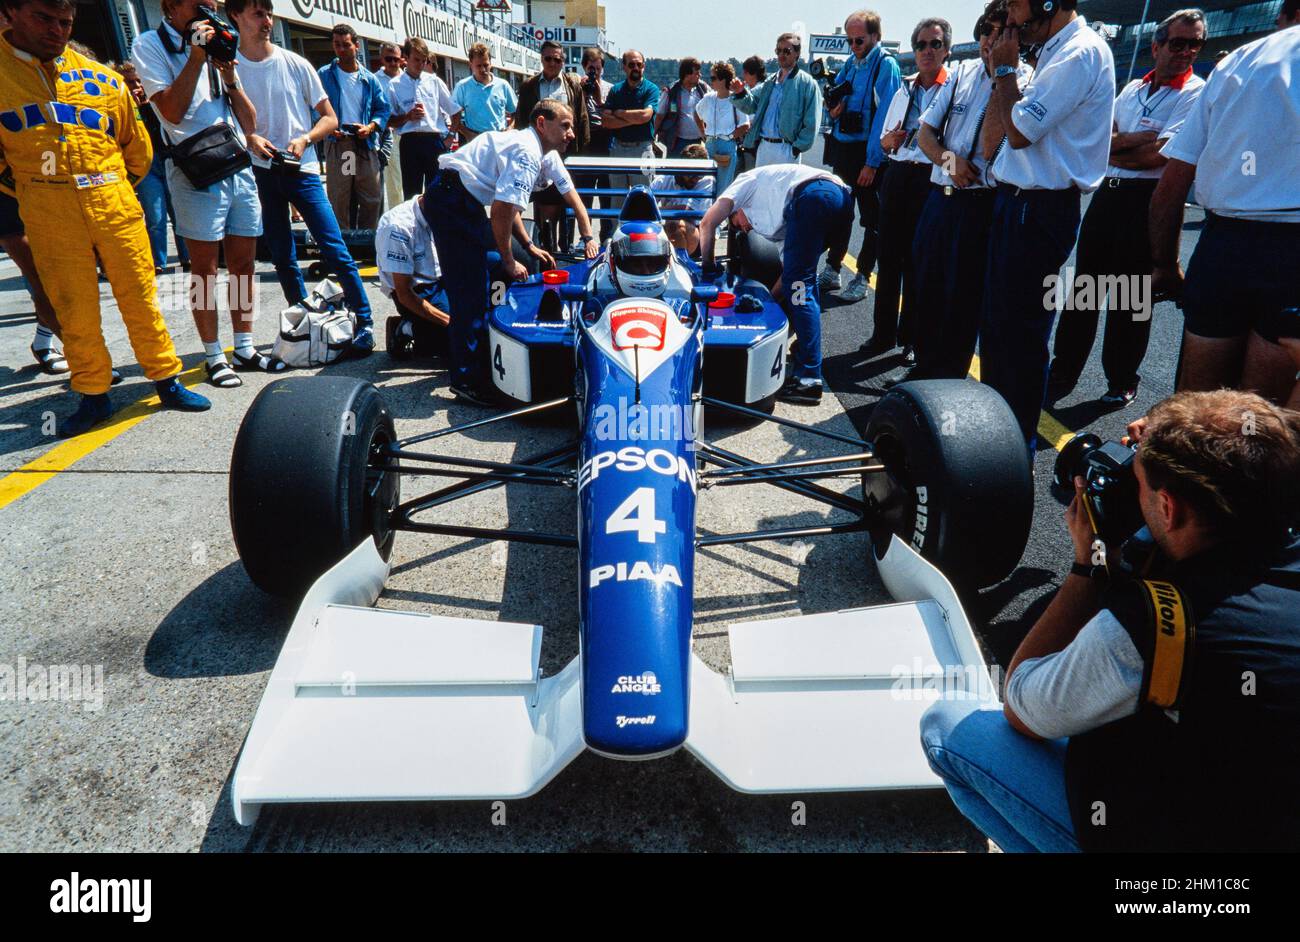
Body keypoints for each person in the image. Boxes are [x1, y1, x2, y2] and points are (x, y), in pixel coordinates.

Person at [921, 389, 1300, 852]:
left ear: (1168, 508)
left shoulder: (1160, 624)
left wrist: (1088, 567)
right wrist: (1167, 433)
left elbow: (1022, 705)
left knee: (946, 726)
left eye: (1136, 484)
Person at [1, 0, 209, 434]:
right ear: (12, 12)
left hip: (113, 202)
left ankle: (166, 380)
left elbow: (138, 150)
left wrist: (109, 186)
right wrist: (34, 190)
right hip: (49, 210)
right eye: (44, 18)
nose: (56, 30)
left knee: (141, 298)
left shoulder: (103, 78)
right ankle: (93, 393)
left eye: (65, 22)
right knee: (74, 306)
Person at [1047, 10, 1207, 408]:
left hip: (1147, 203)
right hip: (1108, 197)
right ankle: (1063, 370)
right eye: (1178, 43)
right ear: (1156, 47)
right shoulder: (1133, 87)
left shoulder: (1196, 92)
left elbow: (1161, 157)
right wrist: (1129, 143)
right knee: (1085, 290)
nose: (1187, 51)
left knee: (1130, 298)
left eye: (1195, 44)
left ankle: (1121, 380)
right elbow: (1101, 139)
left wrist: (1120, 147)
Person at [977, 0, 1115, 453]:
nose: (1010, 21)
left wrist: (1003, 72)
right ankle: (999, 430)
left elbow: (1018, 133)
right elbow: (993, 141)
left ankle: (1013, 445)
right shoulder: (1050, 53)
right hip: (1014, 200)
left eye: (1015, 6)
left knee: (1020, 334)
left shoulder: (1080, 53)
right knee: (997, 328)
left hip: (1039, 209)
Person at [1150, 7, 1300, 404]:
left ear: (1287, 14)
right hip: (1292, 251)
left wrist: (1165, 264)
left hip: (1225, 245)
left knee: (1196, 408)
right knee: (1262, 418)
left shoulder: (1240, 59)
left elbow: (1172, 183)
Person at [423, 101, 600, 405]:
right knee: (470, 290)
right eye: (565, 125)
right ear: (542, 123)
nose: (571, 132)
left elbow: (511, 205)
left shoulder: (543, 152)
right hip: (453, 202)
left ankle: (473, 355)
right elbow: (502, 210)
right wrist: (509, 259)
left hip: (459, 199)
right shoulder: (527, 152)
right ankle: (467, 380)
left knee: (483, 271)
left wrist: (528, 246)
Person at [229, 0, 375, 357]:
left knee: (334, 248)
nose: (267, 21)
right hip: (258, 172)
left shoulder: (295, 63)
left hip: (303, 168)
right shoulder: (227, 67)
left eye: (269, 13)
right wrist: (249, 138)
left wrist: (306, 138)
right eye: (257, 14)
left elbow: (330, 118)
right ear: (235, 16)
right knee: (282, 256)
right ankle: (305, 319)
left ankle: (365, 322)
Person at [132, 0, 265, 391]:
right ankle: (213, 355)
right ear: (171, 6)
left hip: (236, 164)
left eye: (214, 3)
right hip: (194, 170)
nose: (210, 8)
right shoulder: (148, 45)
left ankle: (244, 345)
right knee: (204, 271)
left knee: (243, 265)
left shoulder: (219, 43)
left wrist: (228, 74)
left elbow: (250, 121)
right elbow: (171, 111)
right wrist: (195, 56)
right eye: (201, 2)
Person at [910, 3, 1027, 381]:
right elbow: (924, 134)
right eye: (987, 32)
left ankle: (948, 381)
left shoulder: (1022, 82)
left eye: (1004, 33)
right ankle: (922, 370)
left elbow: (993, 146)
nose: (991, 41)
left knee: (961, 300)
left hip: (980, 206)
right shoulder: (959, 73)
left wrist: (999, 78)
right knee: (926, 289)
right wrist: (949, 163)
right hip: (939, 200)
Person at [698, 163, 853, 405]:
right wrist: (768, 302)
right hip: (838, 201)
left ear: (736, 210)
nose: (743, 228)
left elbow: (707, 224)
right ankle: (805, 355)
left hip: (816, 194)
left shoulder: (745, 182)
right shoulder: (779, 227)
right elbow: (788, 276)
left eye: (736, 223)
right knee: (802, 283)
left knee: (801, 288)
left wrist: (707, 266)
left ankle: (809, 379)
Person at [859, 18, 951, 367]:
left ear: (947, 50)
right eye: (922, 45)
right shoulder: (905, 88)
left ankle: (910, 338)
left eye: (935, 45)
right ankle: (882, 332)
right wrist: (889, 142)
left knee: (919, 263)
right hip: (898, 175)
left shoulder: (954, 87)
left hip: (931, 177)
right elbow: (883, 142)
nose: (928, 51)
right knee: (889, 256)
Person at [821, 9, 902, 304]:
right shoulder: (850, 65)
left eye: (860, 40)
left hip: (867, 152)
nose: (854, 46)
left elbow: (886, 117)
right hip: (844, 147)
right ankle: (832, 268)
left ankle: (862, 275)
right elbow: (832, 94)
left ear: (875, 37)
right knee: (840, 212)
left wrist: (872, 161)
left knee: (872, 219)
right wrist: (833, 108)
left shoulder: (885, 66)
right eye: (850, 41)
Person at [514, 41, 588, 252]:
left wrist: (578, 153)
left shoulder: (572, 85)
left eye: (558, 59)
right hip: (537, 152)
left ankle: (567, 247)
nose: (553, 63)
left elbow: (582, 120)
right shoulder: (529, 86)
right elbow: (521, 119)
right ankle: (543, 246)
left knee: (567, 200)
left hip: (565, 153)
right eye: (549, 58)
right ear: (541, 59)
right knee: (541, 202)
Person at [118, 60, 190, 275]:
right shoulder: (122, 107)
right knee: (155, 216)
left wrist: (147, 106)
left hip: (168, 160)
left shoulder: (157, 102)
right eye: (131, 82)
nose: (136, 86)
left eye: (139, 81)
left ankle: (187, 256)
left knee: (179, 213)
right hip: (146, 166)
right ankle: (158, 261)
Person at [316, 24, 390, 231]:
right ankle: (344, 242)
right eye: (337, 45)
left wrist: (371, 126)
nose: (341, 49)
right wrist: (327, 128)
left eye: (346, 45)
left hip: (363, 143)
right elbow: (314, 107)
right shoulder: (325, 75)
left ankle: (367, 241)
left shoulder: (369, 79)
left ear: (356, 46)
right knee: (341, 195)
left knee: (371, 195)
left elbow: (383, 109)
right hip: (341, 144)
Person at [375, 191, 450, 360]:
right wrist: (450, 322)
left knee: (494, 262)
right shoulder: (398, 228)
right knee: (462, 344)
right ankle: (405, 329)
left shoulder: (443, 211)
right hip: (417, 290)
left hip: (442, 275)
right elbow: (405, 294)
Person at [730, 33, 822, 167]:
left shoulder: (808, 84)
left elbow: (812, 121)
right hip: (764, 147)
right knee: (762, 188)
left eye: (787, 51)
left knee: (785, 188)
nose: (781, 54)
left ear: (797, 53)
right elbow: (751, 106)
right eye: (778, 50)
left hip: (787, 149)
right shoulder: (770, 82)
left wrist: (796, 148)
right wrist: (740, 92)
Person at [388, 38, 462, 199]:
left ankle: (435, 224)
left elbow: (455, 112)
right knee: (411, 193)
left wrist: (450, 137)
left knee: (437, 192)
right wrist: (407, 117)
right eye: (416, 60)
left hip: (434, 141)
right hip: (410, 142)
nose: (420, 64)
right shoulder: (394, 85)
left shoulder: (434, 82)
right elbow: (389, 120)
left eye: (424, 60)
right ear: (405, 58)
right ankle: (414, 224)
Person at [601, 50, 661, 207]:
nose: (636, 67)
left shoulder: (651, 89)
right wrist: (635, 120)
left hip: (642, 149)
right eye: (631, 64)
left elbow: (646, 116)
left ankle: (645, 232)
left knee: (644, 197)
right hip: (618, 149)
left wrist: (620, 113)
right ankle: (617, 231)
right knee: (617, 199)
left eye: (639, 64)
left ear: (644, 66)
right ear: (624, 67)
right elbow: (606, 121)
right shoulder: (616, 90)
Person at [694, 61, 749, 194]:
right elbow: (696, 113)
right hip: (710, 144)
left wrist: (730, 137)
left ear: (723, 79)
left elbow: (745, 125)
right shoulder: (708, 98)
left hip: (727, 145)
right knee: (706, 185)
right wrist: (703, 133)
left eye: (713, 78)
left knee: (723, 187)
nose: (710, 81)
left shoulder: (735, 100)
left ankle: (721, 215)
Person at [577, 46, 615, 240]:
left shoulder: (610, 88)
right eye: (591, 68)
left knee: (606, 193)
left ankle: (606, 235)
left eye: (598, 69)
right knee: (584, 194)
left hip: (605, 139)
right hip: (586, 142)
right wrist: (583, 94)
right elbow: (574, 113)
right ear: (584, 67)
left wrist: (599, 96)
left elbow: (610, 115)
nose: (595, 72)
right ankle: (586, 237)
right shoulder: (577, 86)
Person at [652, 142, 714, 256]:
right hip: (667, 230)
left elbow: (687, 210)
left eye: (700, 174)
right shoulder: (664, 178)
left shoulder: (706, 181)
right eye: (691, 174)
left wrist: (656, 210)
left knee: (676, 224)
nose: (696, 179)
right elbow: (646, 203)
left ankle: (681, 262)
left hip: (698, 234)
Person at [453, 43, 516, 142]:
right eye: (478, 66)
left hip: (499, 140)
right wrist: (467, 133)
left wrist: (510, 129)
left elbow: (516, 113)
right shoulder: (462, 87)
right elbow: (453, 115)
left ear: (490, 63)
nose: (483, 69)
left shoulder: (503, 85)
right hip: (475, 141)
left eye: (486, 65)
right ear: (470, 65)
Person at [372, 41, 405, 213]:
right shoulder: (375, 80)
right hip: (388, 135)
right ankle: (396, 219)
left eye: (396, 59)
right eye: (388, 59)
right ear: (382, 59)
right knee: (394, 183)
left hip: (409, 135)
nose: (393, 63)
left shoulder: (408, 78)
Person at [655, 57, 705, 157]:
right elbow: (659, 116)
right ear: (687, 75)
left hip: (699, 143)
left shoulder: (703, 88)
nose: (700, 75)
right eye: (696, 73)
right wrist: (653, 136)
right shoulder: (670, 91)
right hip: (676, 143)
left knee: (697, 172)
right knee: (675, 171)